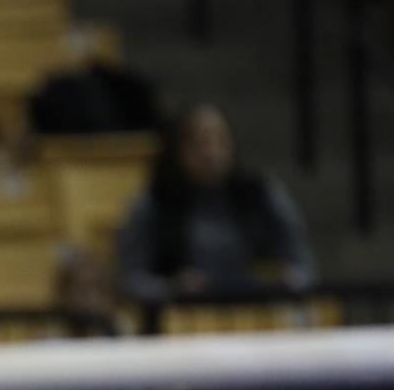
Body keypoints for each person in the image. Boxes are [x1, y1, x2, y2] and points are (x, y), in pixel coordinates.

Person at [115, 103, 316, 306]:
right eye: (199, 143)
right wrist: (170, 288)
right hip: (182, 321)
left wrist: (285, 279)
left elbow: (302, 267)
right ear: (176, 149)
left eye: (219, 140)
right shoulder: (155, 202)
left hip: (259, 315)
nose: (211, 153)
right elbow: (130, 280)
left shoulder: (261, 194)